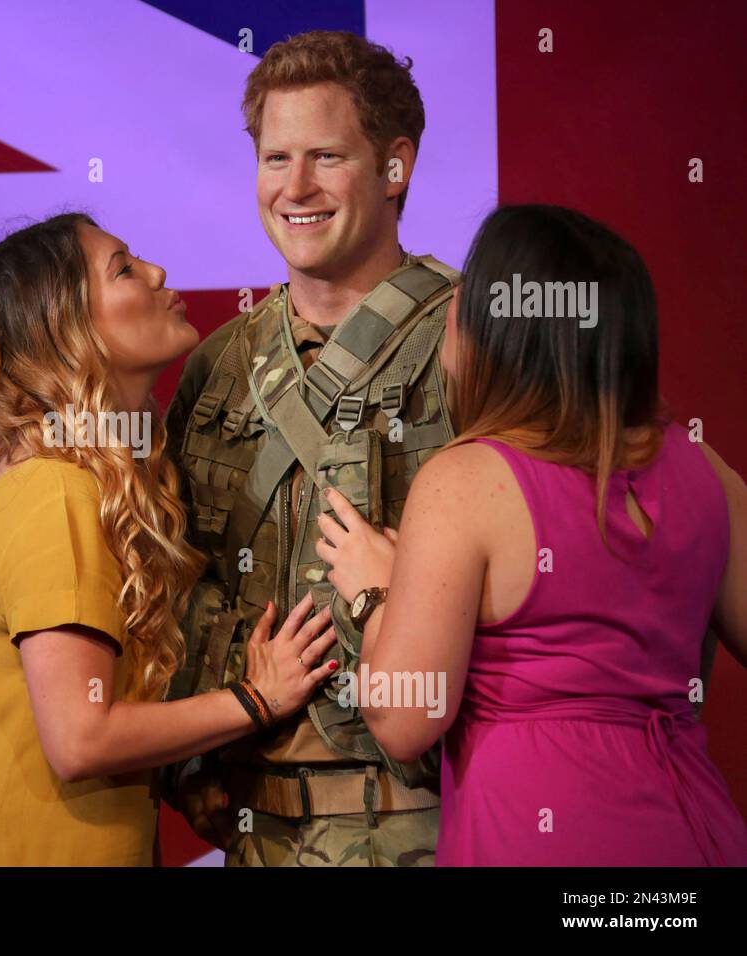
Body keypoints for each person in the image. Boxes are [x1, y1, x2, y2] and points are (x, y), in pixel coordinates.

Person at [0, 212, 341, 866]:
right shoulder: (54, 493)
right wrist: (255, 699)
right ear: (66, 333)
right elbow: (80, 738)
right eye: (125, 268)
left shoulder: (84, 483)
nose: (158, 274)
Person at [317, 203, 747, 865]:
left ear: (503, 331)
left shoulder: (465, 481)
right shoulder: (708, 471)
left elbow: (405, 719)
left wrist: (378, 594)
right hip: (696, 834)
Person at [163, 30, 458, 866]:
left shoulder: (475, 342)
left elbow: (555, 571)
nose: (294, 188)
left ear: (394, 166)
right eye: (274, 157)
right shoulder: (217, 365)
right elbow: (172, 578)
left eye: (326, 156)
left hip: (426, 823)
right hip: (256, 831)